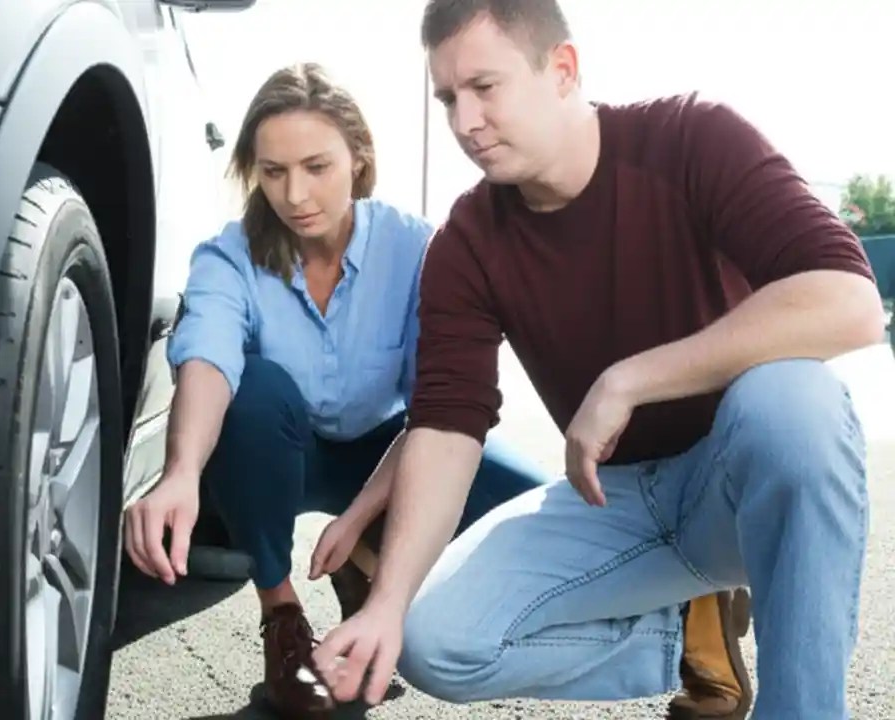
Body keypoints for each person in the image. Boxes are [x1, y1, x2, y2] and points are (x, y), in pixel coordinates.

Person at [311, 2, 885, 720]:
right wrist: (385, 607)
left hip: (738, 484)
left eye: (485, 88)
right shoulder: (465, 243)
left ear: (563, 70)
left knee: (794, 398)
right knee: (433, 638)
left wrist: (629, 380)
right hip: (615, 501)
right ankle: (684, 633)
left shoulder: (690, 138)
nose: (464, 122)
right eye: (448, 98)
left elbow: (848, 302)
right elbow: (446, 425)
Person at [121, 62, 552, 718]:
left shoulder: (420, 250)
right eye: (273, 172)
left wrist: (359, 520)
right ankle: (283, 619)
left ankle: (371, 561)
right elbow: (207, 357)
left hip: (382, 452)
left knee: (542, 511)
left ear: (358, 158)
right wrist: (180, 473)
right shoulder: (227, 256)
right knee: (256, 387)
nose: (294, 194)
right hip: (271, 455)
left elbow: (439, 413)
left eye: (316, 166)